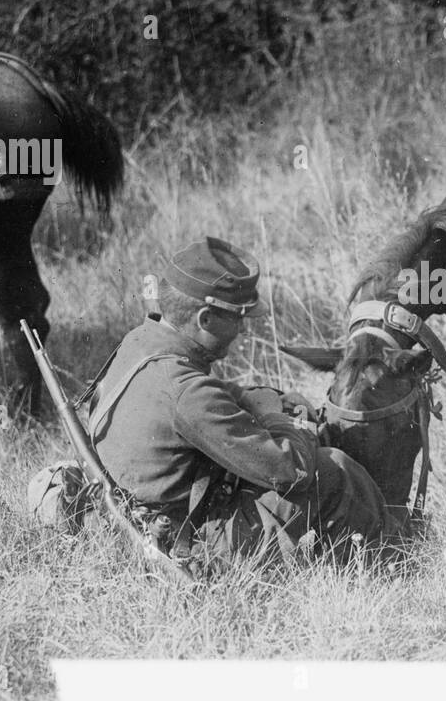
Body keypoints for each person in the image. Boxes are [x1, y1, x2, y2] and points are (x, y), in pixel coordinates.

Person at [81, 236, 406, 574]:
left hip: (146, 516)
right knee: (334, 471)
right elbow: (292, 469)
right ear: (205, 319)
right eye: (238, 318)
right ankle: (394, 568)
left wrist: (250, 397)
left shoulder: (140, 342)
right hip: (190, 547)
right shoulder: (187, 394)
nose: (242, 331)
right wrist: (273, 414)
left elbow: (198, 394)